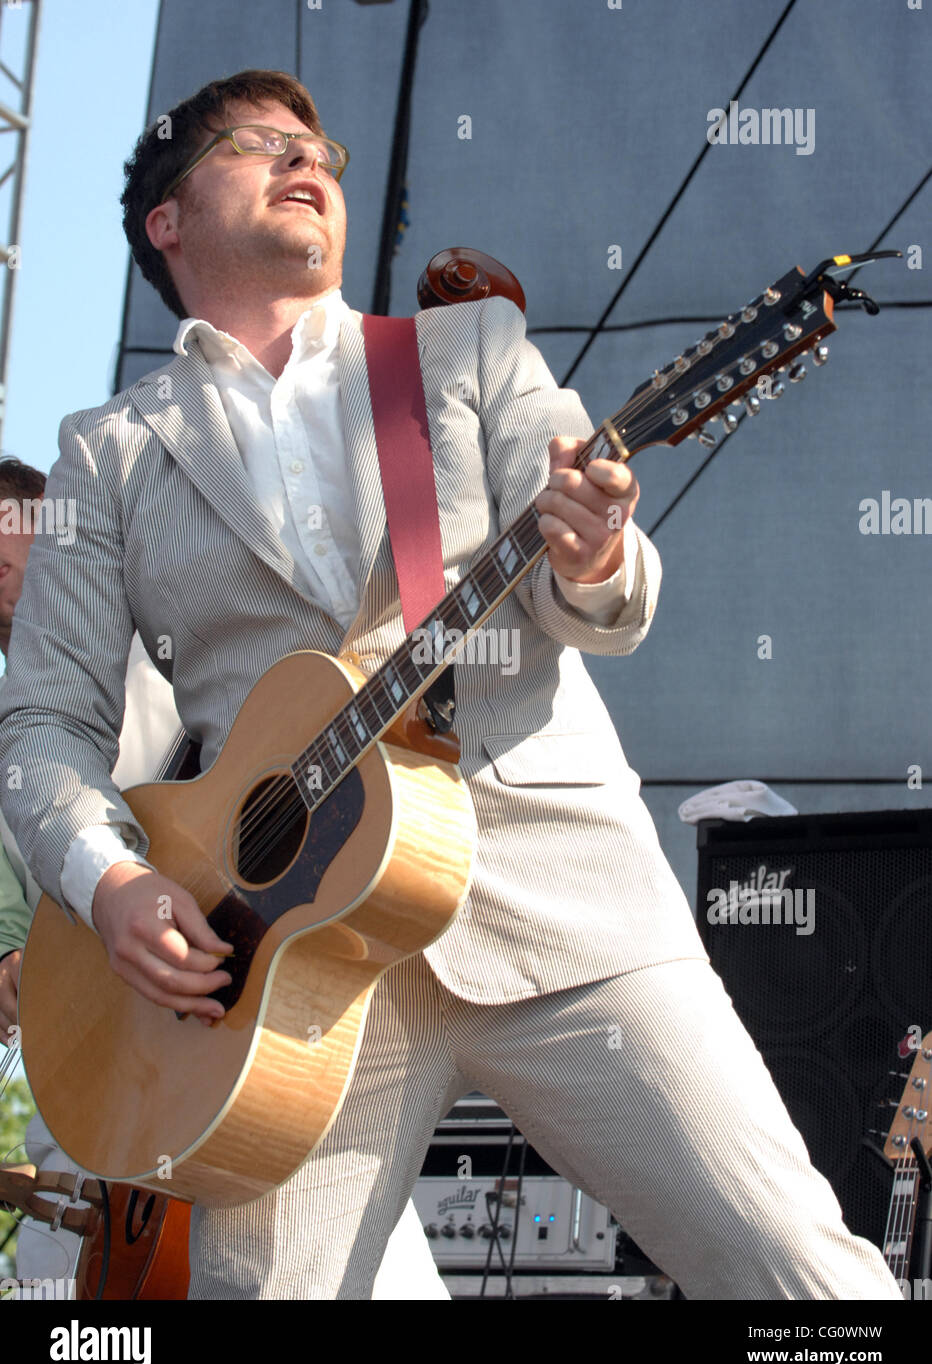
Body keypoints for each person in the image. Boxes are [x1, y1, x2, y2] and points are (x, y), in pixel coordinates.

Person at [0, 69, 902, 1300]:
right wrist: (109, 881)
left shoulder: (464, 352)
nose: (306, 159)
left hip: (554, 895)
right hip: (280, 979)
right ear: (168, 218)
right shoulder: (105, 452)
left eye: (318, 148)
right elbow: (46, 720)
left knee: (792, 1265)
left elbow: (601, 591)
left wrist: (592, 552)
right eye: (258, 143)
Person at [0, 454, 448, 1299]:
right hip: (96, 1090)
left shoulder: (174, 655)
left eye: (10, 526)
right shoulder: (20, 733)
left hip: (247, 1046)